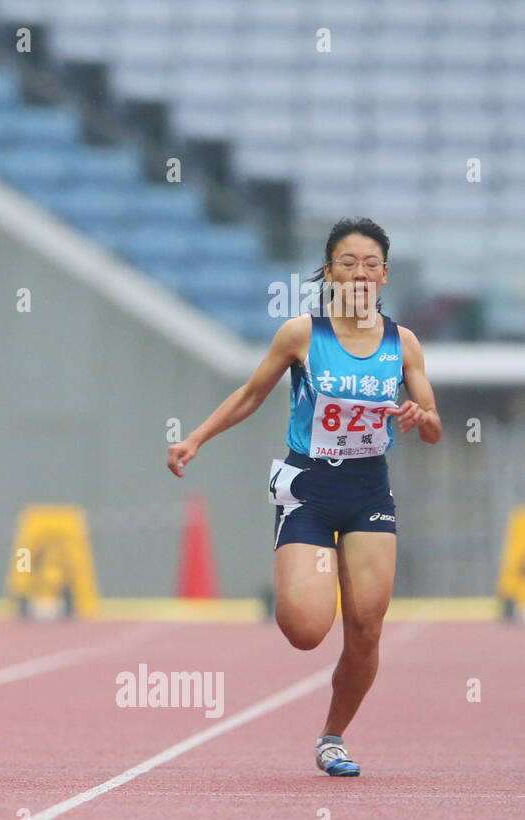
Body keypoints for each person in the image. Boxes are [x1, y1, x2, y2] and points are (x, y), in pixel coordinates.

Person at [167, 217, 441, 776]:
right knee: (306, 630)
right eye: (347, 263)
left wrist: (421, 417)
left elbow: (433, 423)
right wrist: (195, 437)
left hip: (368, 489)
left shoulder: (402, 344)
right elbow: (250, 394)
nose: (360, 273)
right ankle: (313, 574)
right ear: (328, 272)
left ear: (384, 276)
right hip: (309, 488)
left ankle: (333, 736)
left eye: (370, 264)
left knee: (366, 625)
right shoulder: (301, 334)